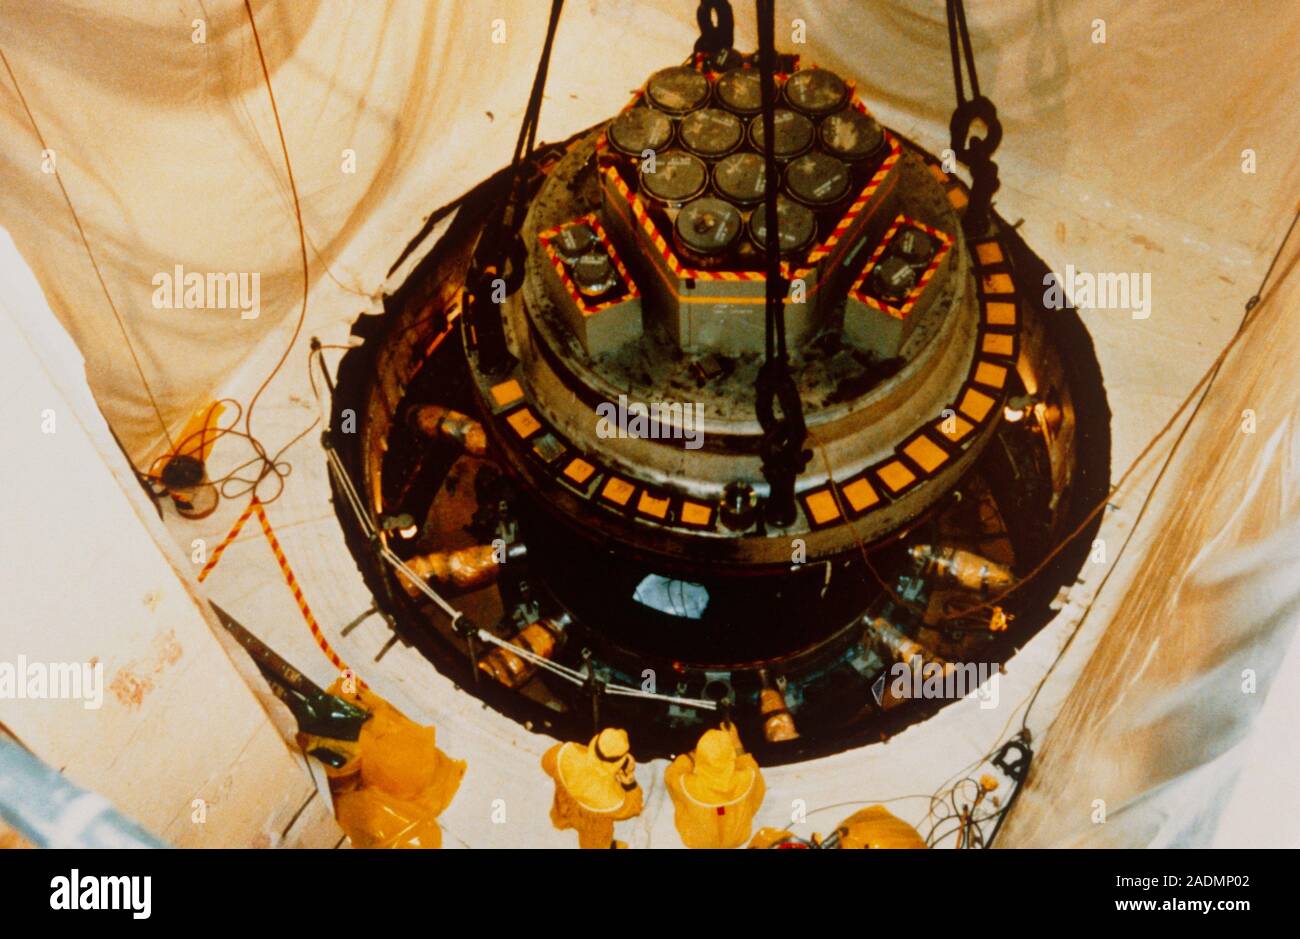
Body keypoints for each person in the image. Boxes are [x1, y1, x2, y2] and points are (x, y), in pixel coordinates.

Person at [665, 722, 765, 848]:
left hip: (698, 842)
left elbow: (671, 775)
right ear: (731, 755)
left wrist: (690, 756)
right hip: (738, 839)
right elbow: (749, 767)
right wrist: (736, 741)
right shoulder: (747, 777)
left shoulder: (689, 784)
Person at [541, 727, 642, 848]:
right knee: (596, 839)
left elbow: (546, 762)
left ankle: (560, 821)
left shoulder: (566, 754)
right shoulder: (611, 797)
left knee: (561, 808)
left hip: (566, 804)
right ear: (619, 762)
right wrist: (629, 783)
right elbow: (633, 808)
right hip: (591, 821)